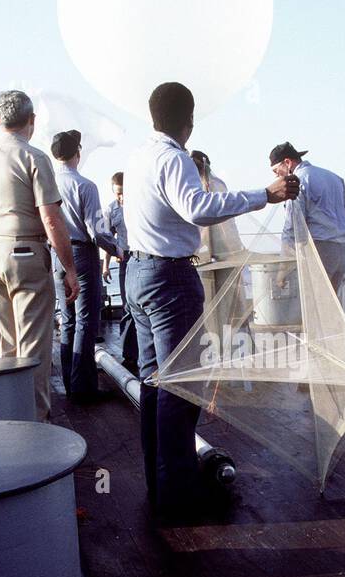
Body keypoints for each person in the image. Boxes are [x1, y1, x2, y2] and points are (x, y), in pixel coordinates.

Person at [125, 82, 299, 521]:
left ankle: (160, 485)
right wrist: (265, 195)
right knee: (179, 388)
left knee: (152, 383)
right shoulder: (173, 157)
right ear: (190, 119)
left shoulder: (139, 157)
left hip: (137, 274)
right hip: (169, 278)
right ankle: (181, 496)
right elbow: (197, 208)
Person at [0, 90, 79, 422]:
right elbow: (51, 219)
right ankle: (35, 427)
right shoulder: (34, 157)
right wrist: (70, 269)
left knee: (7, 346)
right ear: (32, 121)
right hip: (26, 254)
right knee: (33, 350)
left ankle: (9, 419)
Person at [50, 128, 117, 403]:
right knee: (87, 321)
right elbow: (97, 230)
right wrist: (118, 250)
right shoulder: (86, 186)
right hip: (81, 254)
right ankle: (84, 388)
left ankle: (70, 383)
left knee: (67, 321)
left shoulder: (48, 185)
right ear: (78, 153)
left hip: (56, 254)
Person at [270, 142, 345, 293]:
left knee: (315, 308)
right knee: (331, 307)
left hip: (320, 252)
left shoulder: (296, 181)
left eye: (276, 170)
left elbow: (292, 226)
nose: (276, 176)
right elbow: (344, 214)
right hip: (340, 251)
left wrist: (282, 270)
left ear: (287, 163)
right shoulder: (335, 178)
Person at [102, 172, 138, 372]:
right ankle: (130, 355)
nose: (121, 197)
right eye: (118, 194)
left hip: (143, 257)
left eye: (123, 192)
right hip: (125, 260)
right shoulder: (110, 210)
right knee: (127, 308)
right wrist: (105, 265)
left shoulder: (140, 204)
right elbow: (108, 238)